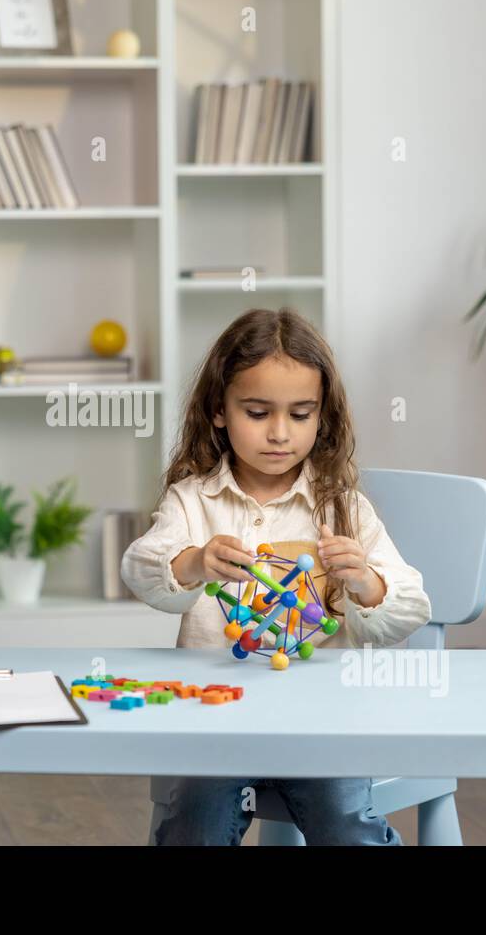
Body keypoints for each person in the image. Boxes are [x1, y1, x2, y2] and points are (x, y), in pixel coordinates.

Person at [121, 307, 432, 845]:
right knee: (196, 822)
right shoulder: (192, 502)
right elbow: (141, 571)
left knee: (343, 820)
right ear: (219, 410)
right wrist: (192, 562)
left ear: (322, 418)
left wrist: (365, 582)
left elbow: (410, 609)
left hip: (322, 723)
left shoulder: (345, 509)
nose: (280, 433)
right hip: (216, 721)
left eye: (301, 414)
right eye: (258, 412)